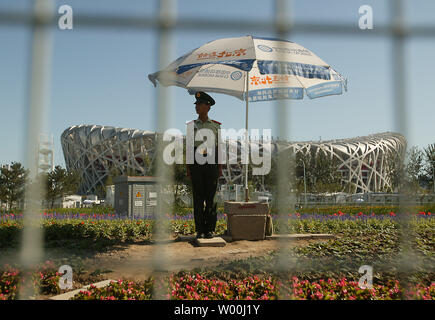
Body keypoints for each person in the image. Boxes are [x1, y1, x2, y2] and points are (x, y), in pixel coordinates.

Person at [186, 91, 222, 239]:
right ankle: (200, 229)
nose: (197, 107)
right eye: (196, 104)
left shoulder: (216, 126)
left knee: (211, 197)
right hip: (196, 160)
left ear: (208, 107)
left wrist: (219, 166)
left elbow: (219, 146)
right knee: (198, 197)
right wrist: (188, 167)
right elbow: (188, 147)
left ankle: (210, 229)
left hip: (211, 160)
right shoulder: (191, 126)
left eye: (200, 104)